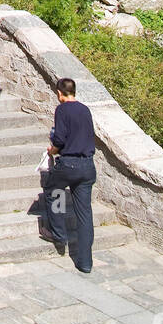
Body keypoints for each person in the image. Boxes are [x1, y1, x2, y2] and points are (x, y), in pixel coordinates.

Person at [40, 78, 97, 274]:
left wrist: (52, 150)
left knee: (52, 190)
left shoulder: (62, 110)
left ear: (59, 93)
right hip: (88, 166)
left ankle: (58, 235)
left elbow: (60, 139)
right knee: (84, 214)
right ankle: (85, 262)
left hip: (69, 164)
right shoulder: (85, 109)